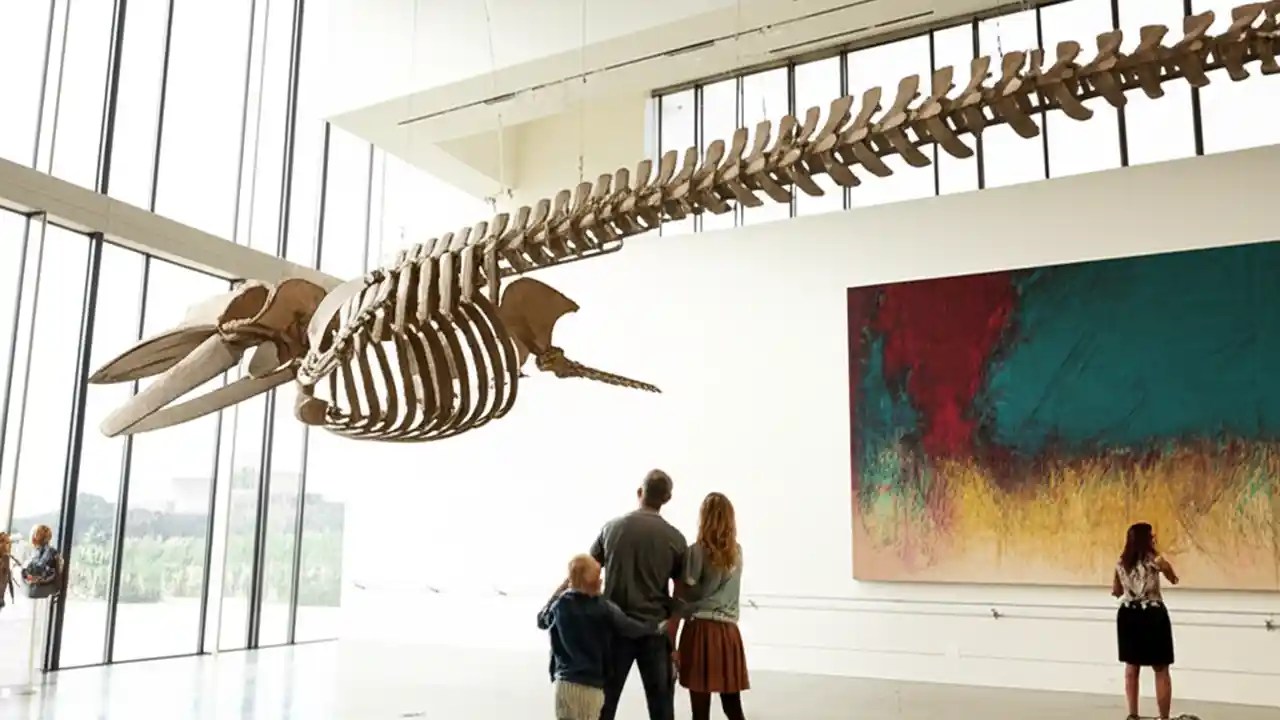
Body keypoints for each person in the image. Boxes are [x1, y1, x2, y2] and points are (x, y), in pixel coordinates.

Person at [590, 469, 688, 720]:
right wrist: (672, 639)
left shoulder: (611, 529)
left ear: (640, 492)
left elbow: (585, 573)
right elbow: (681, 595)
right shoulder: (675, 539)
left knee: (604, 706)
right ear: (667, 499)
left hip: (614, 631)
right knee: (661, 709)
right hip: (655, 631)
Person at [537, 554, 667, 720]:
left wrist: (561, 589)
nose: (601, 581)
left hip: (565, 683)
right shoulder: (604, 607)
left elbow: (541, 620)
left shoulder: (559, 605)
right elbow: (629, 627)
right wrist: (655, 627)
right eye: (599, 577)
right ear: (593, 582)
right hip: (593, 685)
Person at [672, 492, 749, 720]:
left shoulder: (695, 551)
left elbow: (689, 593)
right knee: (733, 707)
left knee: (700, 710)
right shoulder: (737, 552)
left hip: (700, 631)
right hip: (728, 633)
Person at [1111, 522, 1179, 720]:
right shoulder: (1155, 560)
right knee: (1161, 667)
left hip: (1128, 615)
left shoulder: (1121, 562)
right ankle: (1163, 717)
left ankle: (1133, 714)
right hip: (1152, 614)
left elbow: (1116, 591)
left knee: (1132, 667)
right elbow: (1173, 578)